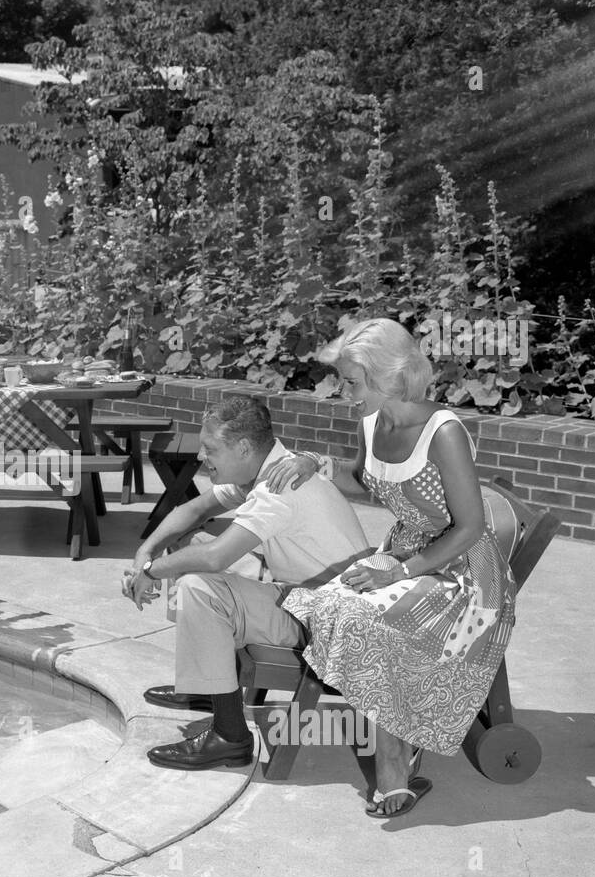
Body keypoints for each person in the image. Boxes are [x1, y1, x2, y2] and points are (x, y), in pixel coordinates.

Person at [268, 318, 516, 818]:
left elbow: (469, 527)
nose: (344, 393)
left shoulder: (443, 432)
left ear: (389, 376)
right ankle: (403, 728)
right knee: (330, 601)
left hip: (464, 575)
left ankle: (394, 764)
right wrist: (315, 463)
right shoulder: (372, 423)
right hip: (406, 555)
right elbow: (367, 482)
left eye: (351, 382)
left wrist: (397, 574)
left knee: (365, 620)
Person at [128, 396, 370, 770]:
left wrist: (149, 572)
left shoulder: (279, 489)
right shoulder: (265, 468)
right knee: (188, 545)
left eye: (210, 450)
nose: (201, 458)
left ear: (242, 448)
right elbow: (193, 509)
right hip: (306, 596)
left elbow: (216, 559)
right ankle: (209, 685)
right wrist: (146, 551)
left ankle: (230, 736)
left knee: (200, 584)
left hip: (328, 620)